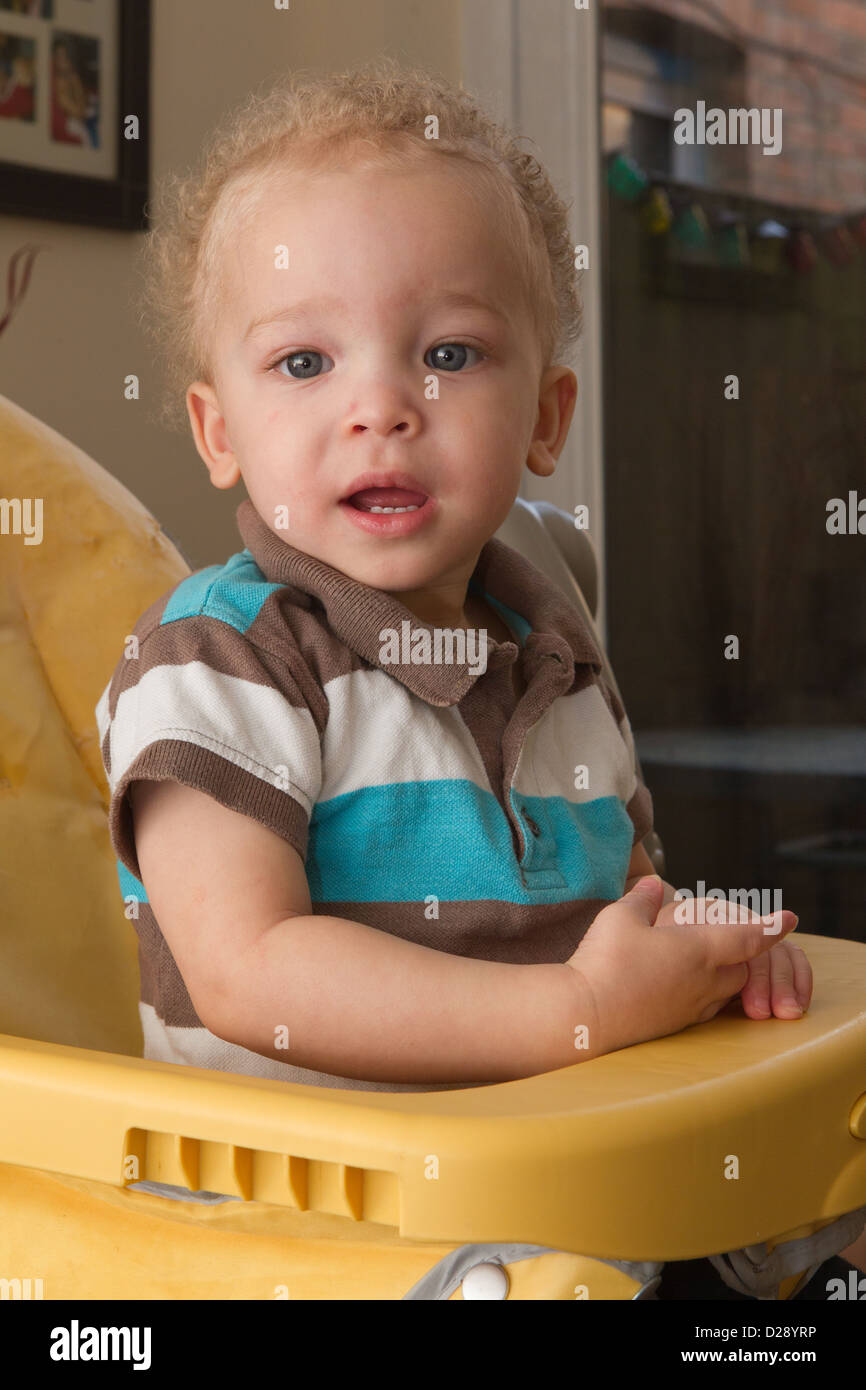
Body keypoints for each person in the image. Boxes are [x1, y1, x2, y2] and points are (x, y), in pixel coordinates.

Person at [94, 56, 864, 1297]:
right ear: (217, 430)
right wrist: (578, 1010)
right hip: (313, 1219)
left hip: (571, 1156)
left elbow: (622, 884)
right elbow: (245, 968)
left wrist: (697, 961)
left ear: (545, 417)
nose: (382, 405)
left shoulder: (551, 638)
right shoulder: (218, 661)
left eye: (449, 353)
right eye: (304, 364)